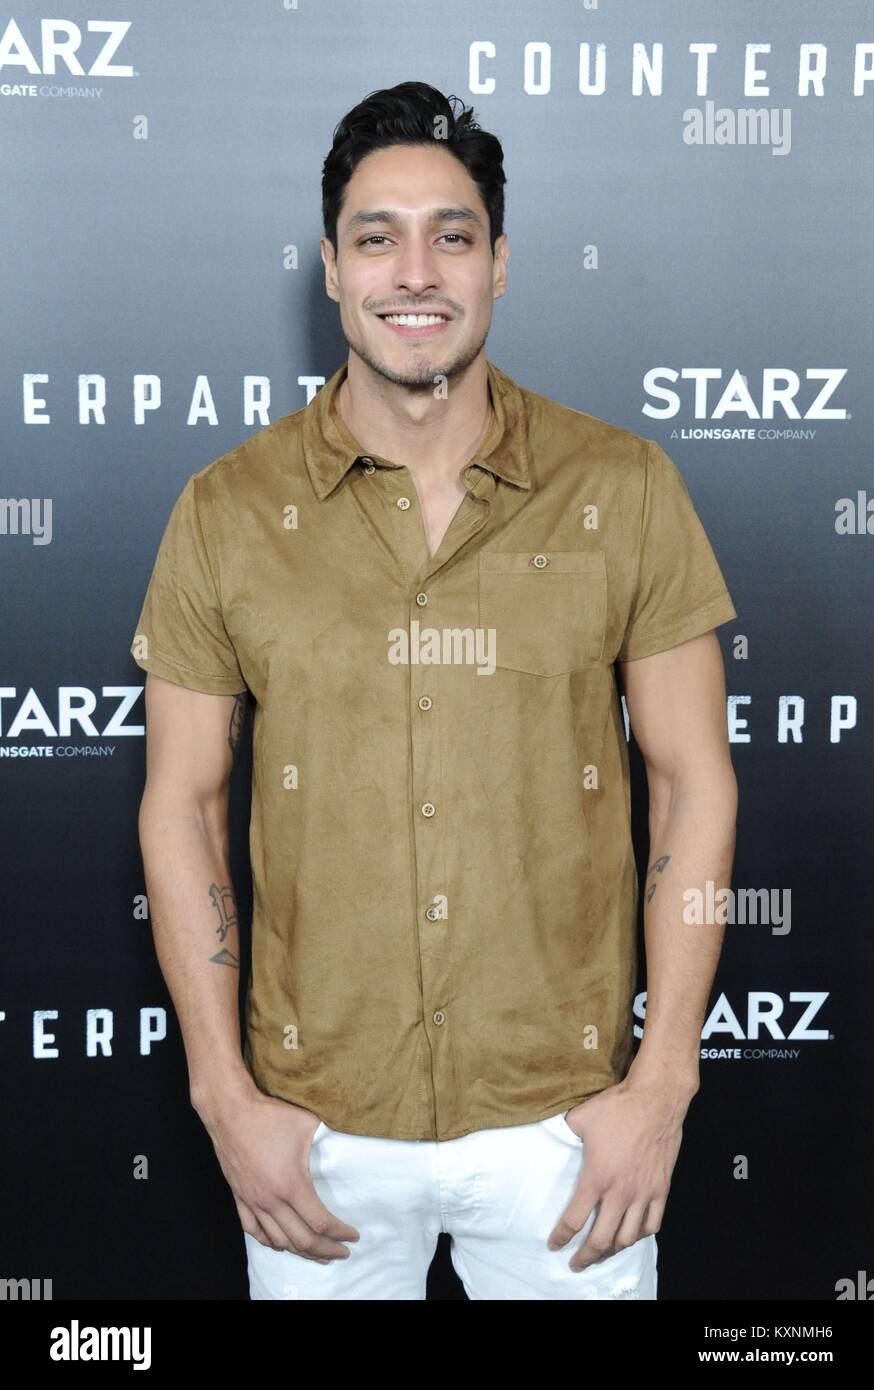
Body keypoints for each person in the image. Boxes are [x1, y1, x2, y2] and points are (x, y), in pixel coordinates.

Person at [131, 80, 738, 1301]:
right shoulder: (225, 509)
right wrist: (225, 1098)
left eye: (451, 236)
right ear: (330, 268)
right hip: (317, 1130)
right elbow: (183, 805)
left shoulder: (622, 487)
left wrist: (661, 1087)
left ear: (499, 262)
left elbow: (693, 785)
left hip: (568, 1127)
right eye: (377, 238)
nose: (416, 272)